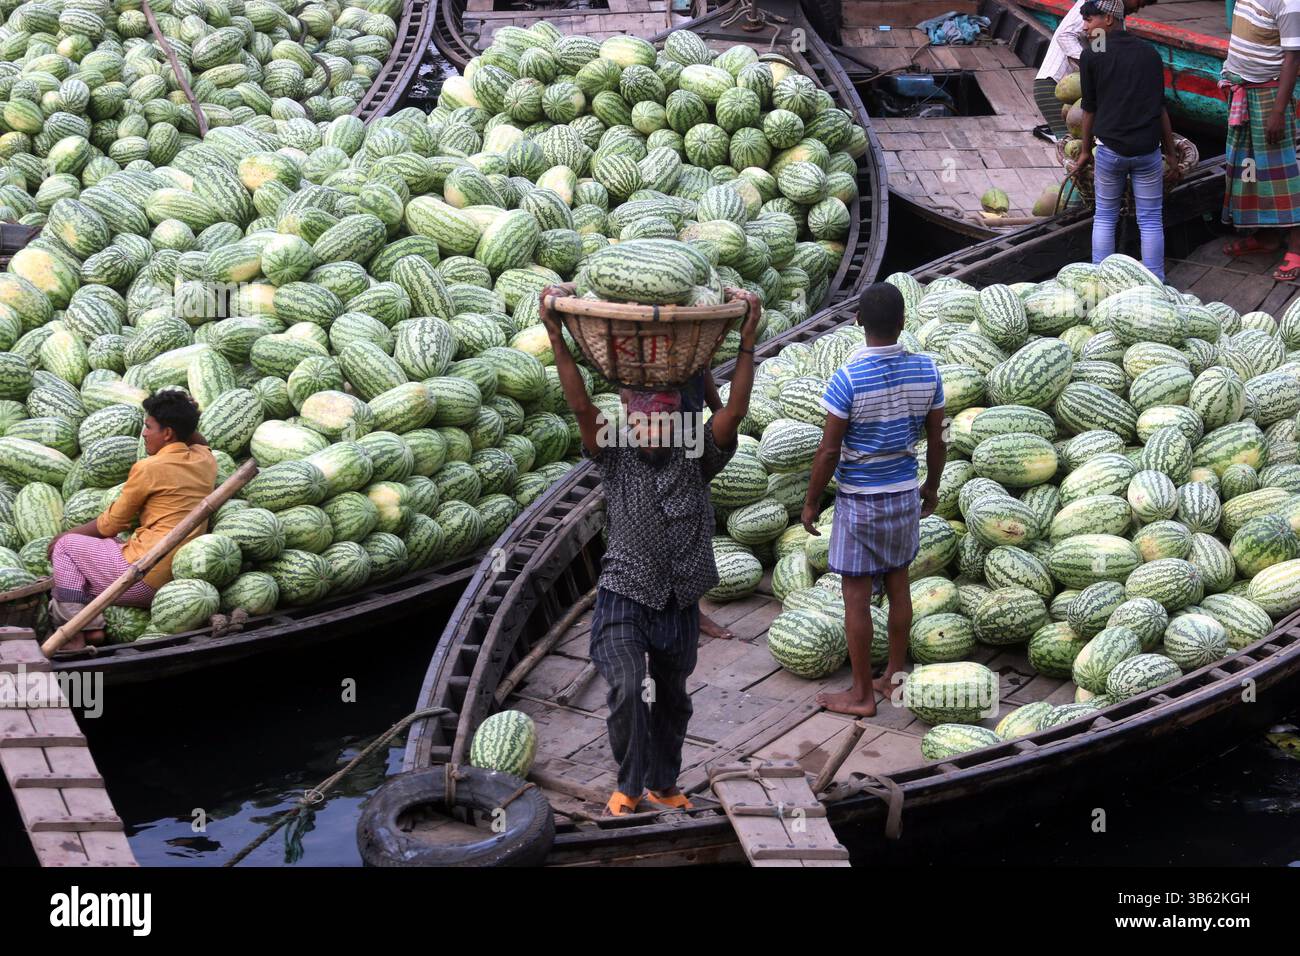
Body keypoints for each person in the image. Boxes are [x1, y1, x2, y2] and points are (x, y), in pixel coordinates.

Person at [540, 289, 761, 816]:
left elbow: (734, 410)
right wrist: (555, 333)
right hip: (625, 592)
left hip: (680, 597)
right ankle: (630, 783)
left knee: (671, 697)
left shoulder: (696, 455)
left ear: (675, 425)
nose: (652, 433)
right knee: (625, 683)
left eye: (662, 424)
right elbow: (578, 403)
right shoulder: (614, 450)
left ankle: (664, 782)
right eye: (644, 424)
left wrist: (748, 338)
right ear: (632, 423)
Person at [800, 283, 946, 718]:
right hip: (903, 493)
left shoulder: (847, 378)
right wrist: (931, 485)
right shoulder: (926, 370)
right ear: (903, 322)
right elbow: (939, 439)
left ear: (858, 321)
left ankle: (862, 693)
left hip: (860, 501)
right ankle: (893, 679)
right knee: (899, 586)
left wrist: (810, 503)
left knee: (856, 598)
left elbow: (828, 450)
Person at [47, 391, 218, 650]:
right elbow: (198, 439)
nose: (143, 434)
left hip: (142, 578)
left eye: (148, 427)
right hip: (175, 578)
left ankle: (76, 634)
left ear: (168, 433)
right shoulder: (205, 460)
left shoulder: (148, 468)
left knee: (66, 547)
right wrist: (186, 418)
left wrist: (65, 536)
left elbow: (110, 524)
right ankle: (92, 626)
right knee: (110, 546)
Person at [1073, 0, 1179, 280]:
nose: (1085, 26)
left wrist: (1085, 151)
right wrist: (1171, 154)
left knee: (1105, 217)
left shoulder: (1092, 55)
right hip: (1147, 152)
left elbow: (1089, 109)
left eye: (1089, 20)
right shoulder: (1149, 53)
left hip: (1110, 151)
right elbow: (1160, 108)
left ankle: (1101, 279)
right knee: (1150, 220)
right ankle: (1157, 281)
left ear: (1108, 19)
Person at [1219, 0, 1300, 281]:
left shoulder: (1289, 4)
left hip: (1269, 98)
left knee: (1284, 175)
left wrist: (1278, 112)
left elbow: (1293, 58)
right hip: (1243, 92)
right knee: (1250, 171)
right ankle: (1266, 237)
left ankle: (1297, 248)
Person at [1033, 0, 1153, 138]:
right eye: (1138, 3)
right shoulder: (1096, 4)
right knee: (1074, 149)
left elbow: (1099, 49)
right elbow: (1065, 36)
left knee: (1081, 150)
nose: (1137, 9)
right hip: (1053, 85)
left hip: (1075, 92)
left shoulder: (1110, 17)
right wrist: (1091, 65)